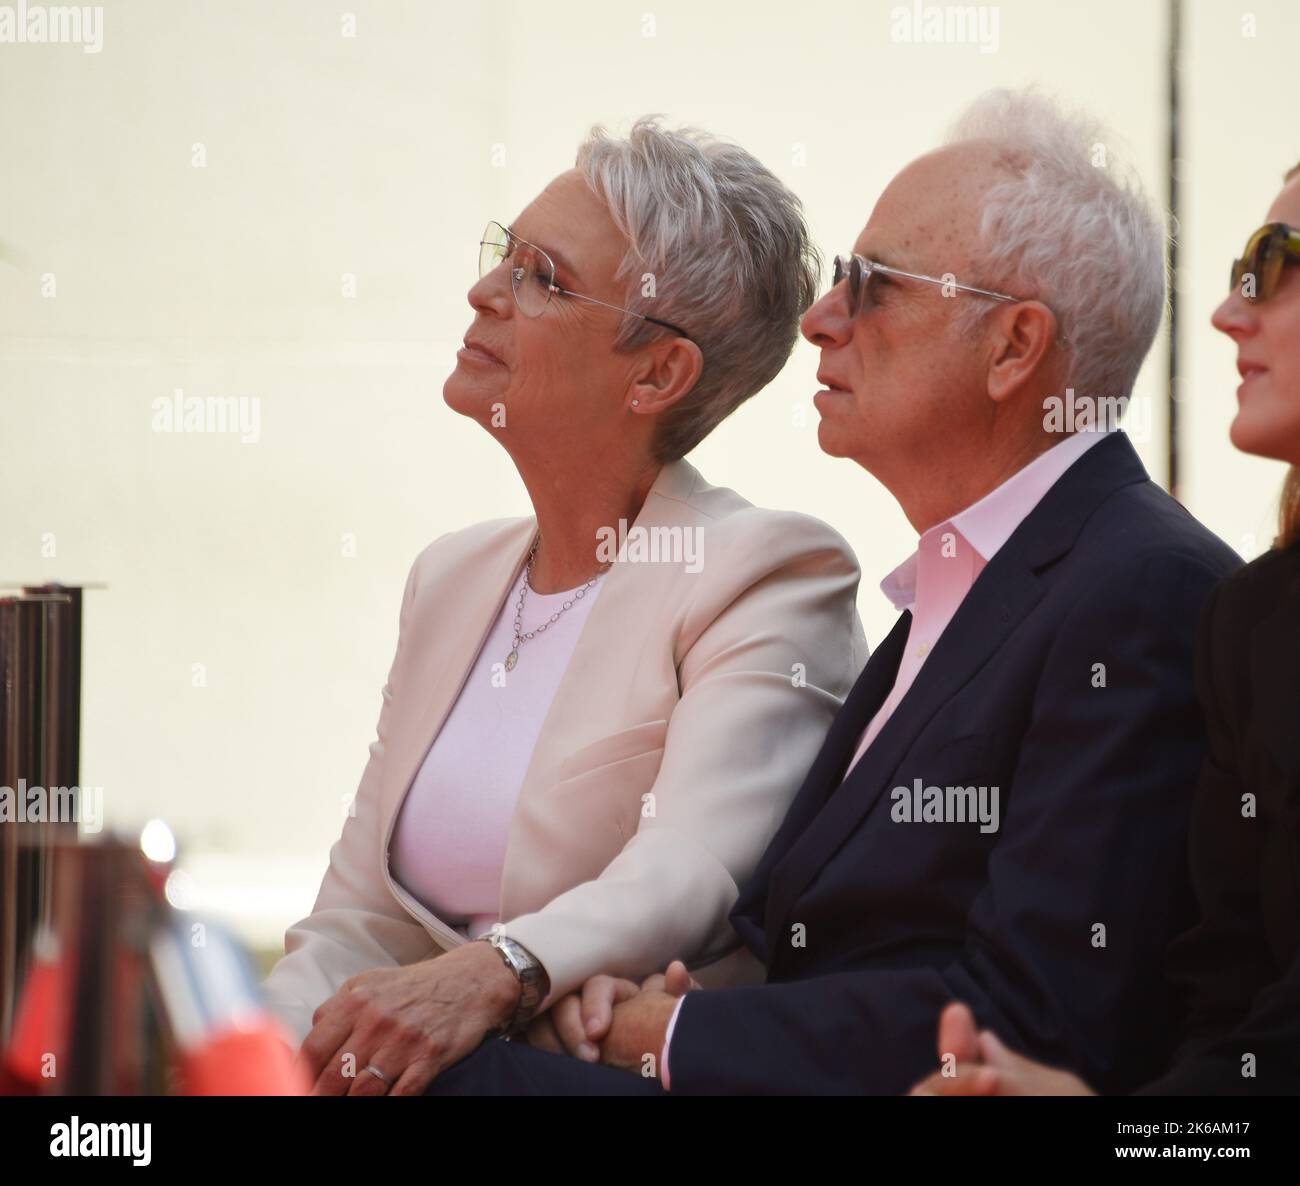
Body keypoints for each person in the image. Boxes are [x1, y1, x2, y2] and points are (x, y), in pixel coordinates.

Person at [424, 86, 1240, 1097]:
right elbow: (837, 944)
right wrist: (664, 1005)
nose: (818, 319)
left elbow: (1036, 1016)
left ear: (1015, 348)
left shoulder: (1140, 588)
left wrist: (666, 1034)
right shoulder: (968, 587)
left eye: (874, 284)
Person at [260, 116, 867, 1095]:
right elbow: (353, 923)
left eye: (540, 275)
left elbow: (692, 867)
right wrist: (262, 1068)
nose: (483, 290)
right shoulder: (450, 577)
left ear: (657, 374)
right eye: (504, 253)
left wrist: (499, 972)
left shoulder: (765, 568)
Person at [911, 160, 1300, 1098]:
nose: (1225, 313)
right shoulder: (1253, 622)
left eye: (1274, 263)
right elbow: (1233, 1024)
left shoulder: (1156, 588)